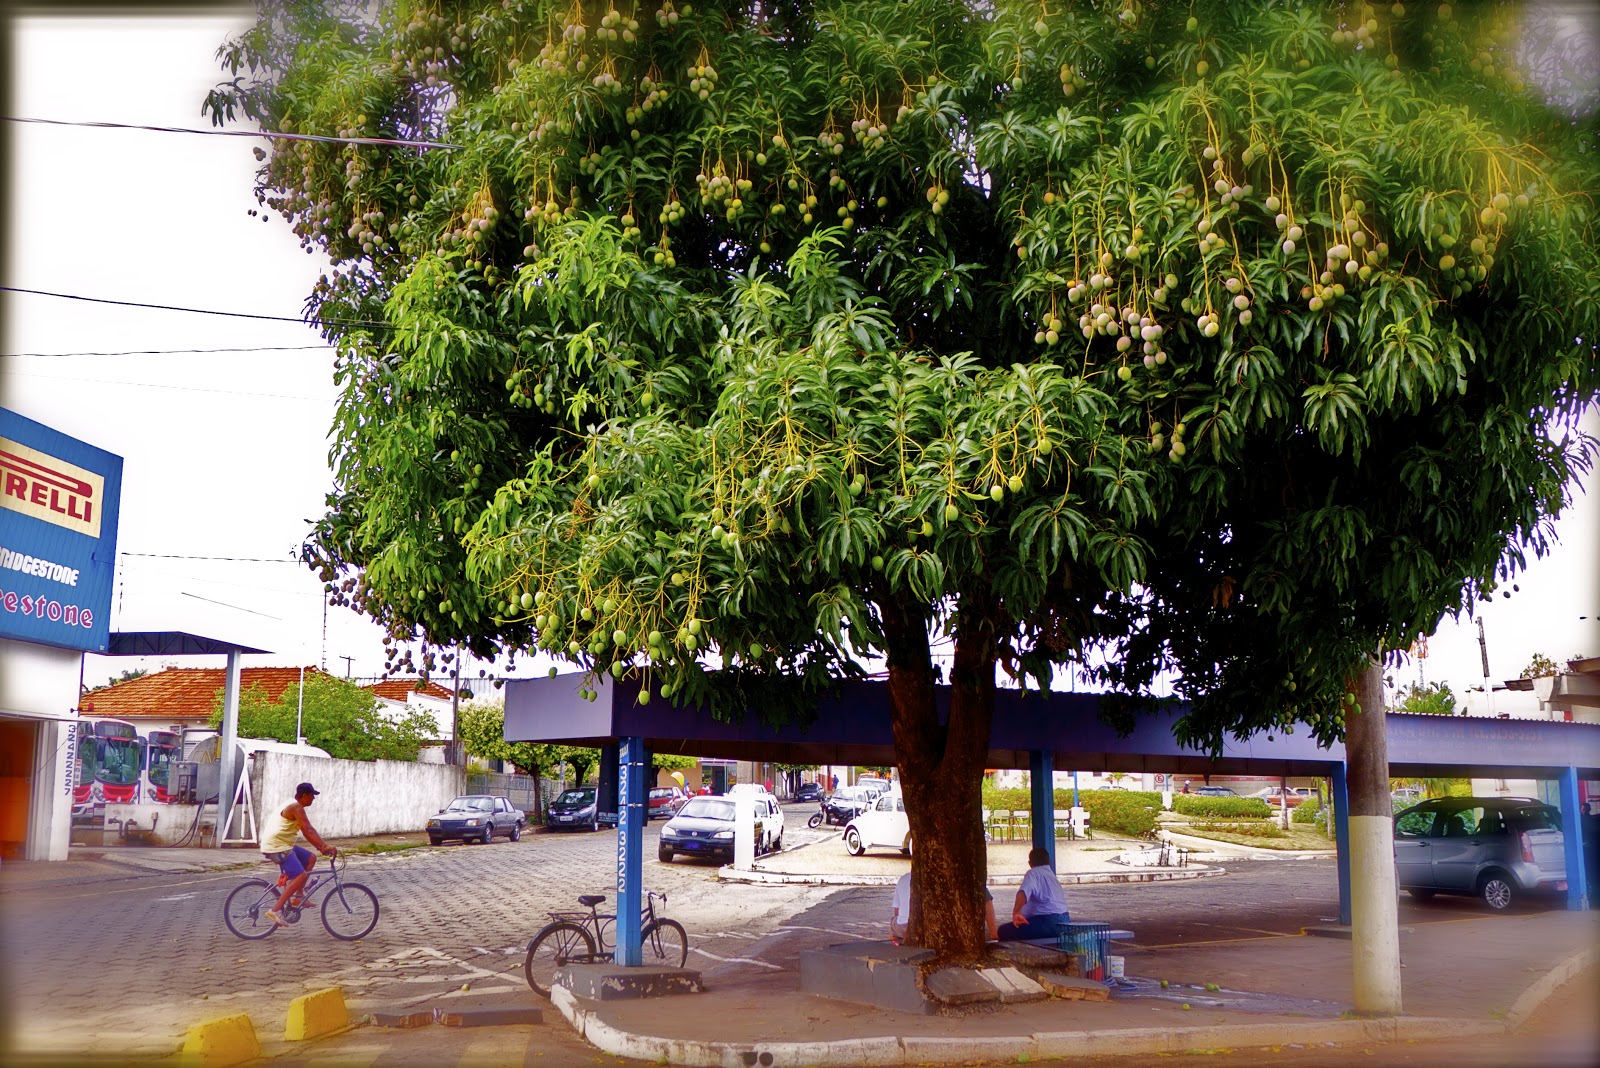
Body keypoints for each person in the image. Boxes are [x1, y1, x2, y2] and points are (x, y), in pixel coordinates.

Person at [259, 781, 335, 927]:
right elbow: (308, 829)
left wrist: (320, 848)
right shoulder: (296, 807)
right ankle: (275, 910)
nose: (313, 799)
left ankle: (297, 897)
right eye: (312, 796)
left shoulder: (293, 804)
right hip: (277, 846)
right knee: (301, 875)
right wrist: (324, 847)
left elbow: (307, 831)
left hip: (283, 844)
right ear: (305, 795)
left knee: (311, 858)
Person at [890, 872, 998, 944]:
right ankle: (994, 932)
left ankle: (899, 940)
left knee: (895, 923)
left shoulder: (904, 879)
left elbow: (897, 912)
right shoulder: (957, 875)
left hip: (907, 927)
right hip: (942, 928)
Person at [997, 847, 1072, 942]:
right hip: (1064, 920)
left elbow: (1023, 894)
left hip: (1046, 922)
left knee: (1004, 931)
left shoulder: (1032, 873)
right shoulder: (1052, 876)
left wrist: (1017, 912)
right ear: (1049, 862)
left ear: (1030, 863)